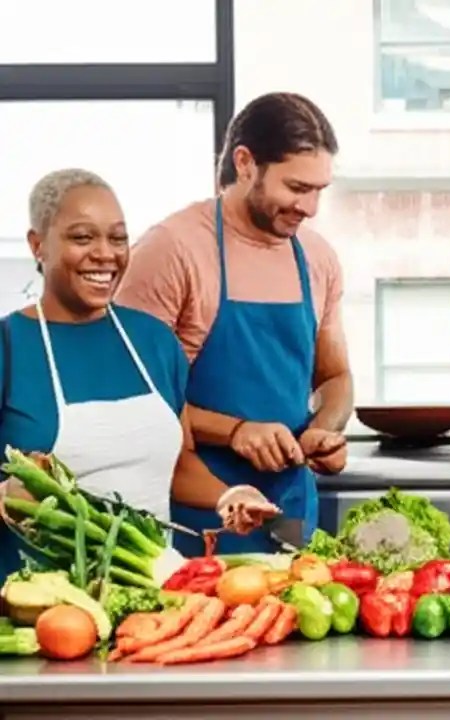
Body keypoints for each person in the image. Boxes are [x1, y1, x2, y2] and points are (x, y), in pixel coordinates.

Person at [0, 169, 276, 576]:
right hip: (41, 608)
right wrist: (9, 494)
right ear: (38, 245)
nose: (104, 254)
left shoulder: (152, 342)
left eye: (117, 237)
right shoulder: (10, 347)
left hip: (147, 593)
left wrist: (230, 495)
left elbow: (178, 464)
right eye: (81, 237)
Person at [114, 93, 353, 555]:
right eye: (297, 187)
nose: (310, 207)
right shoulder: (173, 251)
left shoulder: (318, 258)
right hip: (194, 517)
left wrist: (323, 428)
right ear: (245, 163)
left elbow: (336, 377)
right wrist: (237, 431)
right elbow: (137, 402)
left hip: (291, 514)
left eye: (320, 190)